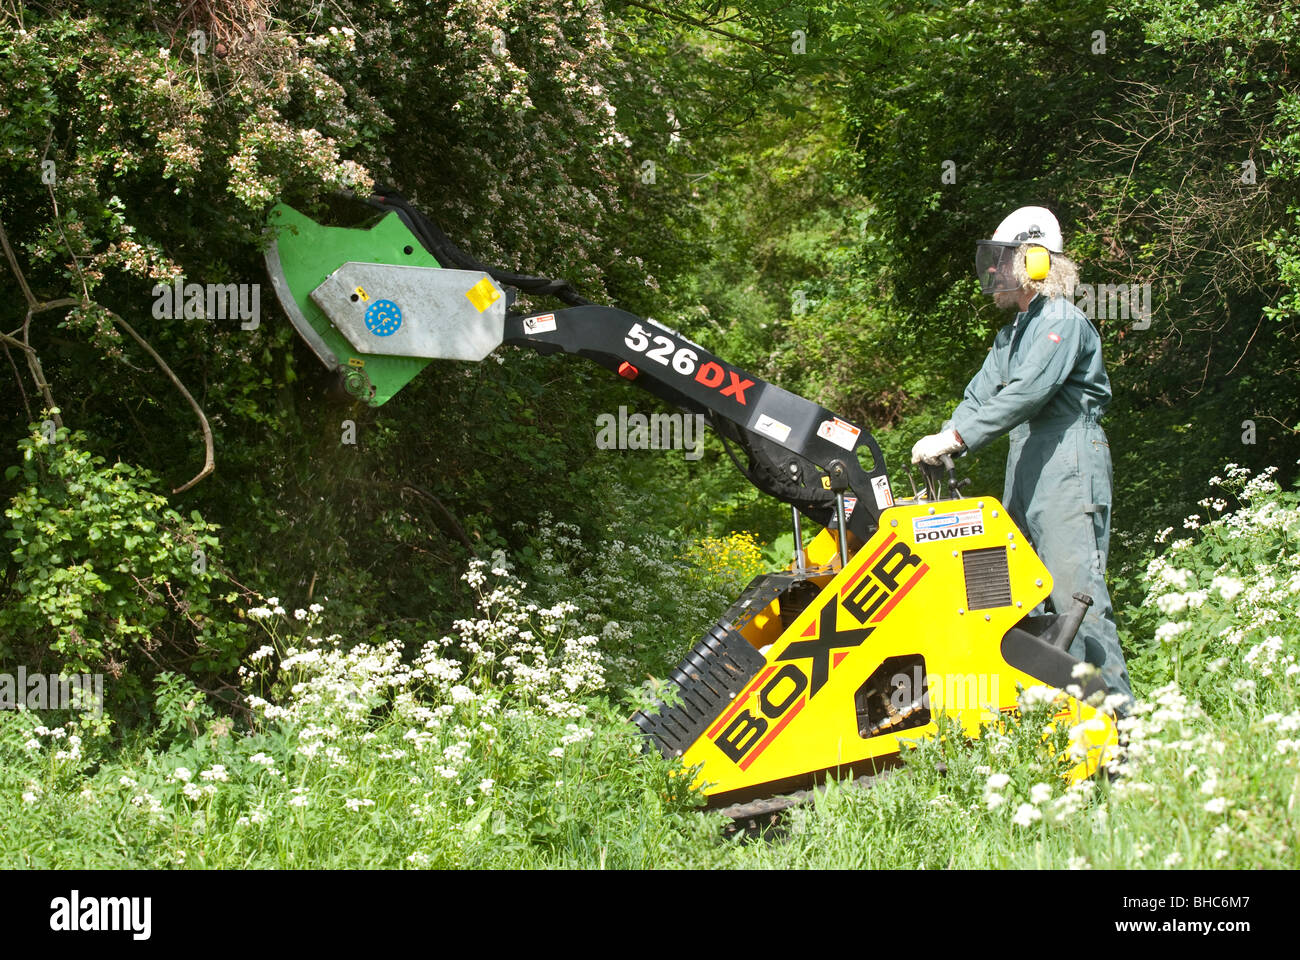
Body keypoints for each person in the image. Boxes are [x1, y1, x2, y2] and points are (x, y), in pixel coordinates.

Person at [910, 206, 1132, 708]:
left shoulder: (1063, 321)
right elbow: (980, 394)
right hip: (1027, 456)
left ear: (1034, 262)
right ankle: (1062, 720)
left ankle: (1126, 733)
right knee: (1017, 595)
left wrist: (958, 439)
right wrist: (943, 437)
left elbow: (1029, 392)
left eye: (1002, 261)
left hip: (1069, 456)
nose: (992, 273)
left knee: (1077, 596)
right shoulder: (1012, 333)